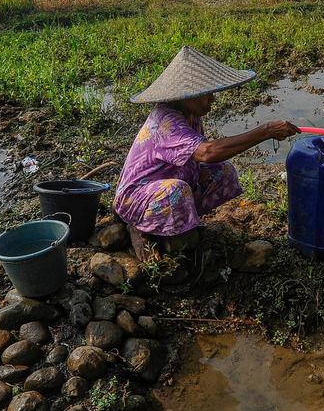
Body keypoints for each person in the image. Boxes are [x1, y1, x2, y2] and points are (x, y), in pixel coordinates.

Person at [113, 47, 299, 262]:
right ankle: (144, 229)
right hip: (137, 197)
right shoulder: (166, 122)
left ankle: (180, 223)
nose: (212, 99)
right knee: (178, 194)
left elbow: (201, 156)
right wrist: (265, 131)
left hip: (166, 186)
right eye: (206, 94)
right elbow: (207, 152)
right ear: (186, 95)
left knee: (223, 171)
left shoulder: (190, 114)